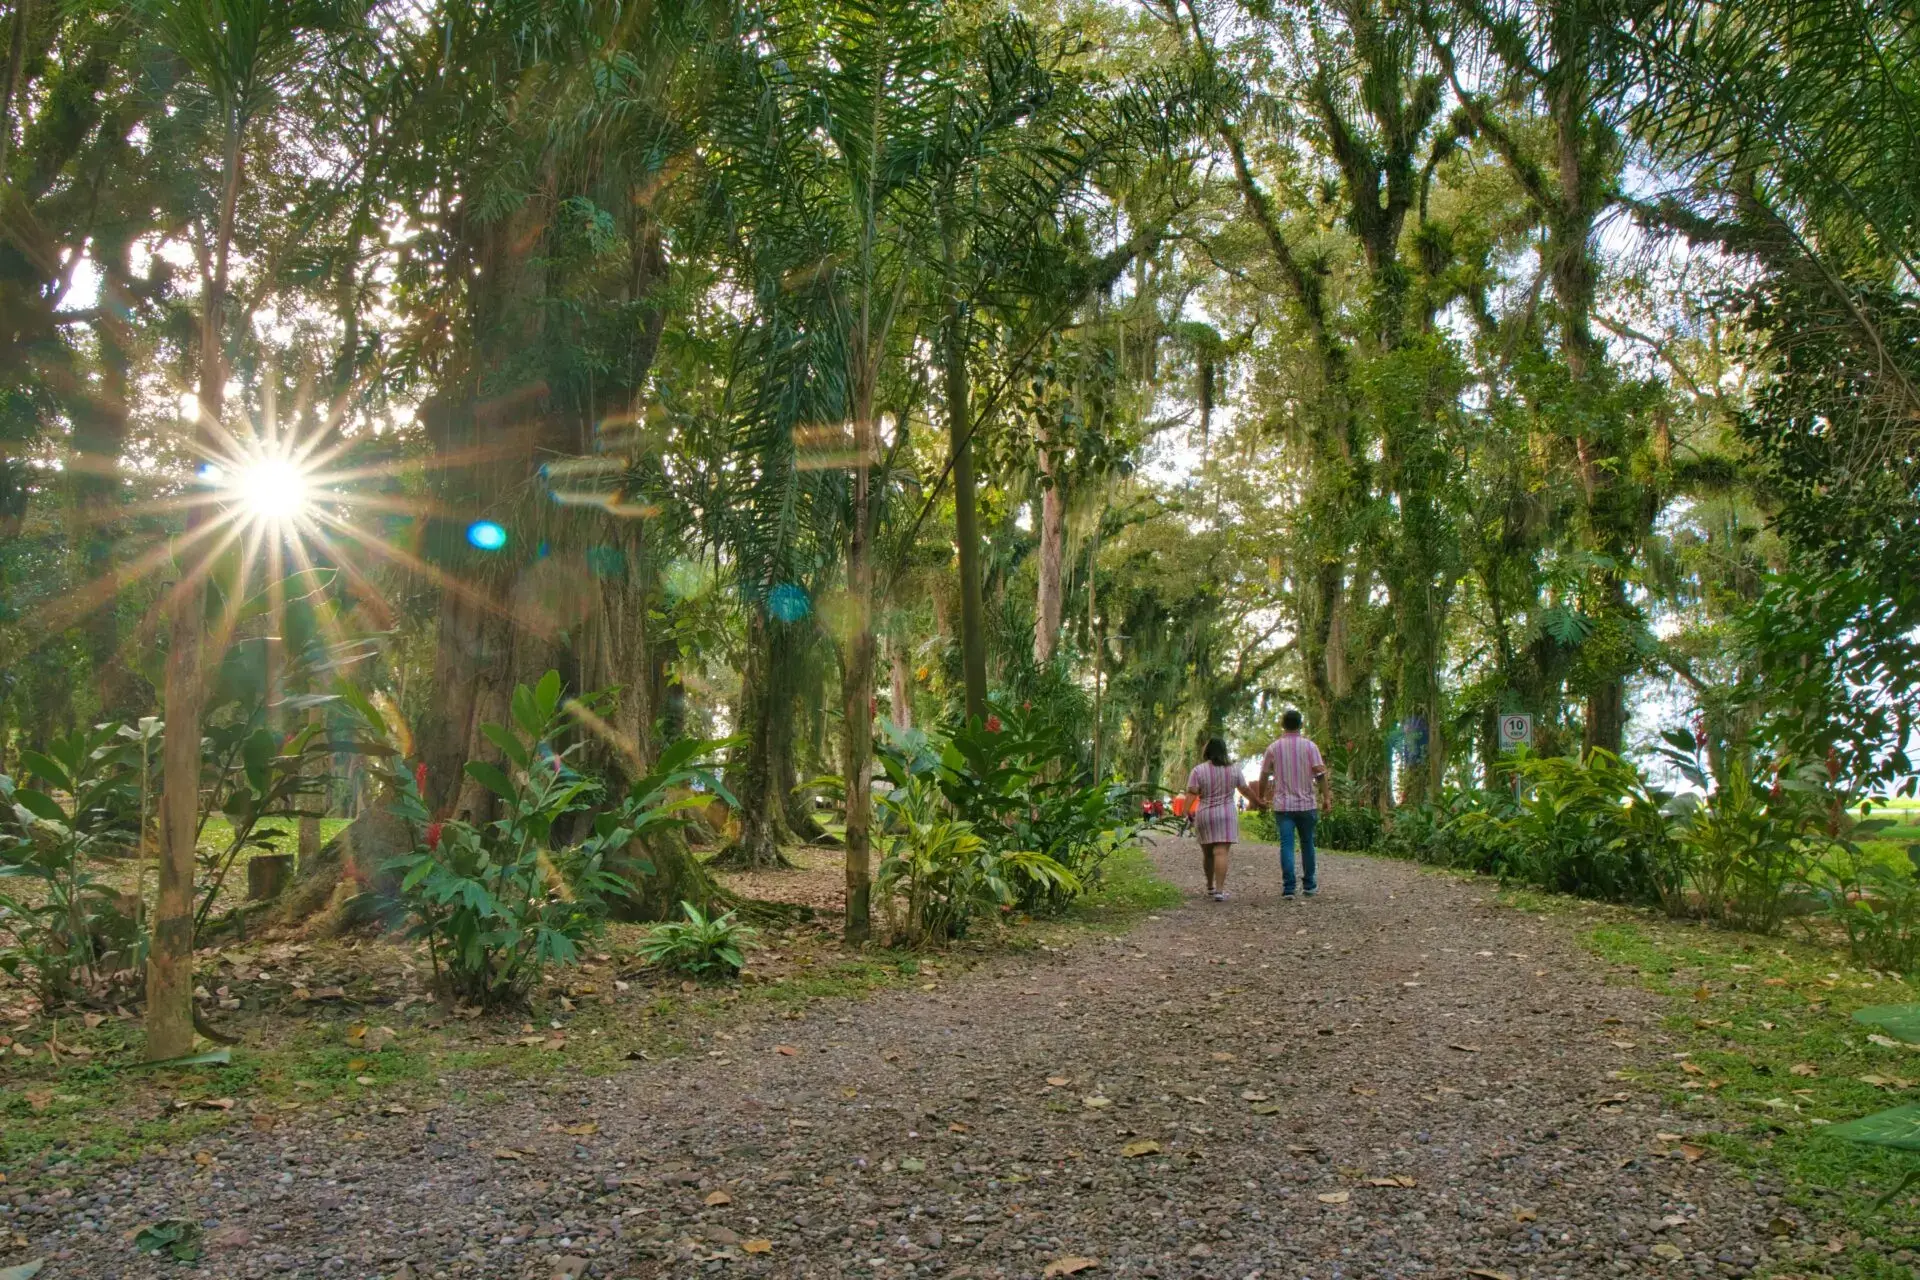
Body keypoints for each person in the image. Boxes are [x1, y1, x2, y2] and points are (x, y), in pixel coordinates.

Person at [1259, 708, 1331, 900]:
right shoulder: (1310, 747)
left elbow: (1264, 774)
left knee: (1287, 845)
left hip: (1283, 806)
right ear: (1301, 725)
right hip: (1307, 804)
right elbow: (1320, 774)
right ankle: (1309, 885)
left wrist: (1260, 797)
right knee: (1308, 844)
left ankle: (1289, 888)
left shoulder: (1273, 748)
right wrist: (1327, 798)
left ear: (1283, 725)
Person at [1185, 736, 1260, 902]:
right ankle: (1219, 891)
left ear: (1207, 751)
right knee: (1221, 852)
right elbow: (1245, 789)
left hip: (1205, 813)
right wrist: (1258, 802)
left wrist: (1186, 811)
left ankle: (1210, 886)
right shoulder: (1234, 769)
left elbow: (1192, 792)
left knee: (1208, 854)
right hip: (1226, 814)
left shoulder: (1198, 770)